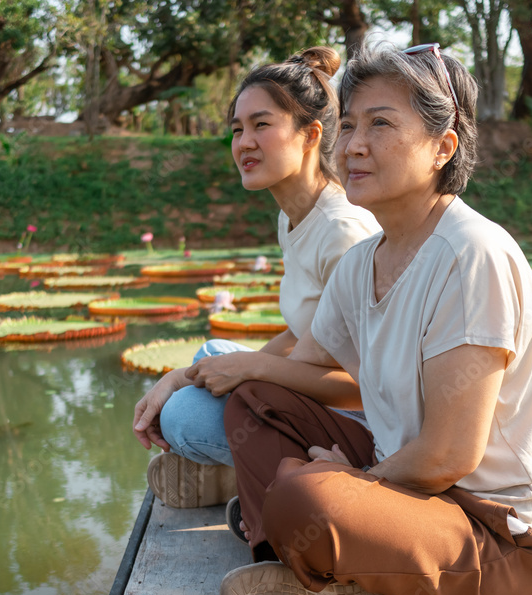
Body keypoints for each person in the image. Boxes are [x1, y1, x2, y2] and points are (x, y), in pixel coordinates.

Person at [213, 43, 532, 595]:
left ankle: (314, 550)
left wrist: (355, 481)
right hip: (405, 491)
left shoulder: (470, 255)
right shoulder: (362, 263)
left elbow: (447, 456)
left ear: (443, 147)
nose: (352, 145)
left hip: (495, 530)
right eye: (349, 124)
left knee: (303, 499)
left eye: (381, 124)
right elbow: (302, 366)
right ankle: (304, 558)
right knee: (256, 398)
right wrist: (226, 370)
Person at [131, 46, 381, 510]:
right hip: (315, 394)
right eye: (237, 130)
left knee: (183, 416)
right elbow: (305, 333)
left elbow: (373, 386)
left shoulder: (343, 230)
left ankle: (254, 476)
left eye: (261, 125)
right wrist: (188, 374)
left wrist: (248, 370)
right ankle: (242, 472)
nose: (244, 142)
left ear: (310, 135)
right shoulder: (292, 218)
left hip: (365, 427)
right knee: (213, 354)